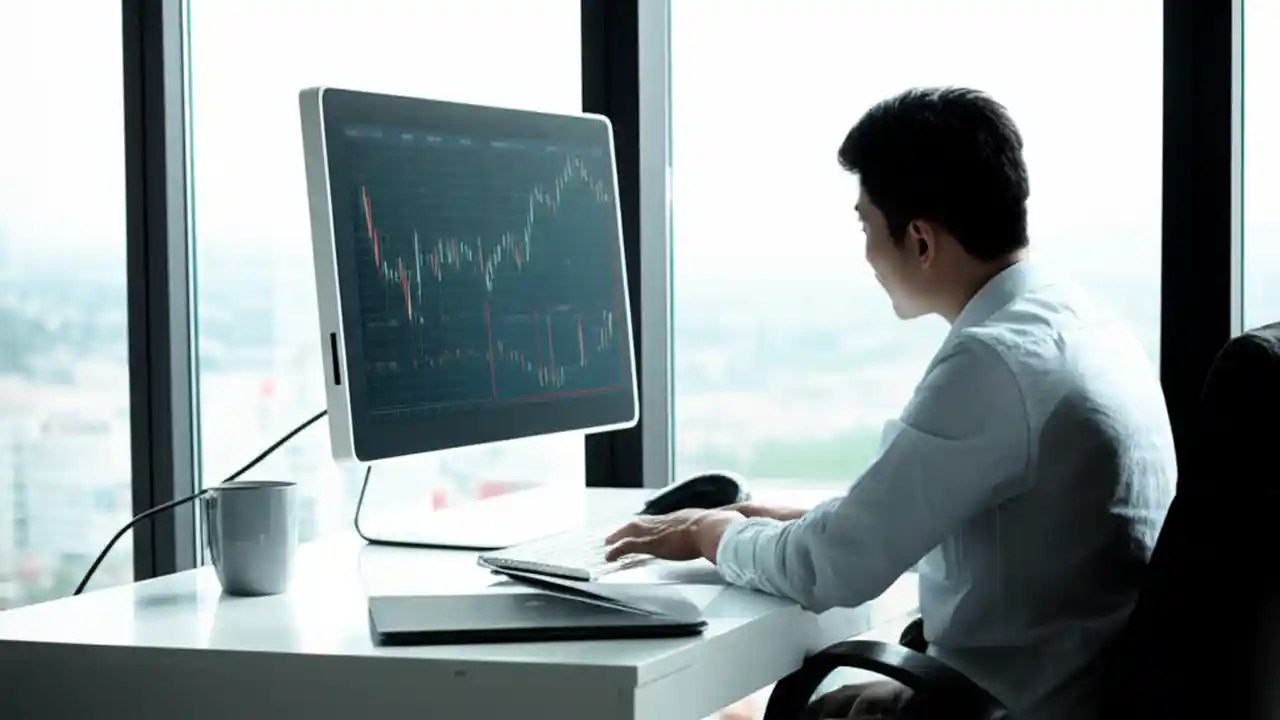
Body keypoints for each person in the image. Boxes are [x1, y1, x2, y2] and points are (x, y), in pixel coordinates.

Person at [604, 87, 1176, 720]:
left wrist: (715, 533)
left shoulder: (993, 363)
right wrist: (804, 519)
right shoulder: (1082, 324)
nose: (868, 254)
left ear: (921, 241)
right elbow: (968, 516)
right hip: (1056, 686)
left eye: (866, 226)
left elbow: (827, 572)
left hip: (1000, 705)